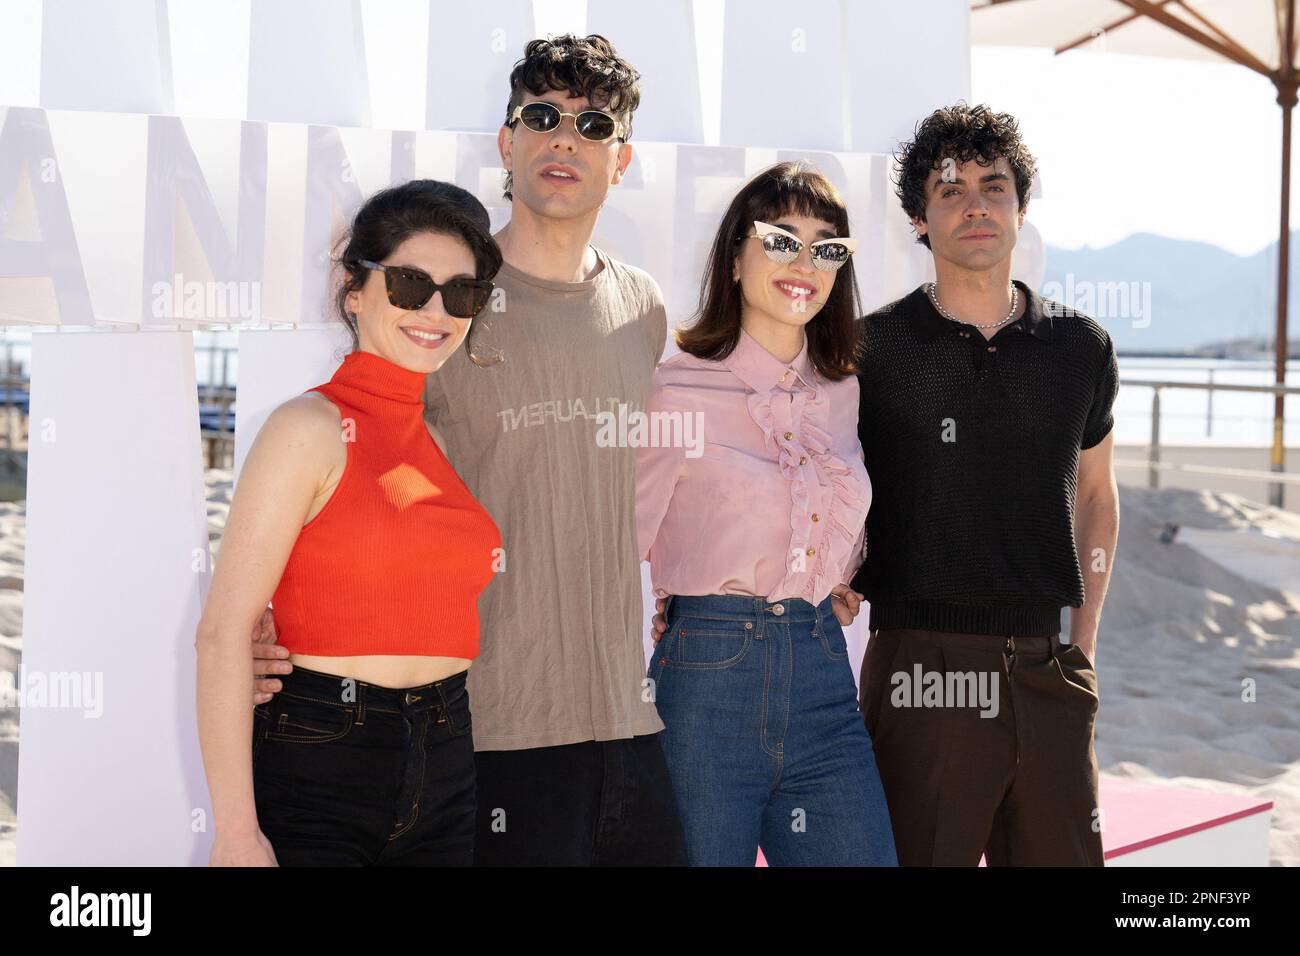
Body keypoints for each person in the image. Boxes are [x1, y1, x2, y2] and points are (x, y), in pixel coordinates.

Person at [252, 34, 687, 865]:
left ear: (621, 158)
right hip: (486, 731)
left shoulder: (643, 306)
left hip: (630, 722)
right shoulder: (445, 304)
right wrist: (263, 624)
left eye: (593, 125)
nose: (565, 139)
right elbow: (352, 462)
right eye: (542, 116)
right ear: (507, 142)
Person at [196, 180, 503, 866]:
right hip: (321, 754)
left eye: (462, 293)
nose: (436, 310)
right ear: (354, 288)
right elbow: (222, 633)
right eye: (409, 283)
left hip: (448, 748)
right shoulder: (307, 428)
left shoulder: (442, 445)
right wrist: (236, 834)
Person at [853, 103, 1119, 865]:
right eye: (950, 189)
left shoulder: (1081, 347)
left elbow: (1097, 495)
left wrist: (1083, 637)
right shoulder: (873, 348)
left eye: (993, 186)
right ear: (918, 219)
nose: (975, 204)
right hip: (921, 671)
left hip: (1049, 669)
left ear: (1020, 208)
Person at [637, 162, 897, 866]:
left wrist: (844, 573)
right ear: (734, 259)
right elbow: (615, 543)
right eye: (781, 240)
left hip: (822, 671)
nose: (805, 263)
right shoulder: (674, 389)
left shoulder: (846, 392)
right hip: (705, 684)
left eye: (827, 248)